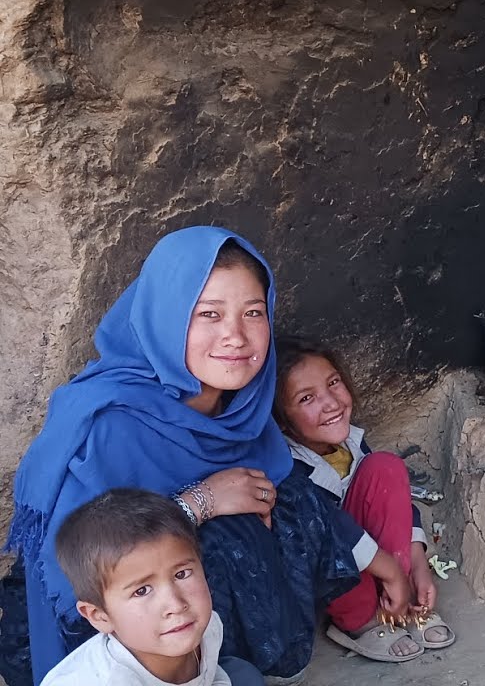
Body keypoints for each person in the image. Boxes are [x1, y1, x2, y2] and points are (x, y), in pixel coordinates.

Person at [4, 227, 418, 685]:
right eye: (209, 315)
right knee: (228, 531)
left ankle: (238, 662)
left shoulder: (242, 407)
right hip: (105, 630)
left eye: (253, 313)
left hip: (189, 617)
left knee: (282, 497)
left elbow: (302, 499)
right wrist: (201, 502)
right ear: (167, 317)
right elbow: (85, 568)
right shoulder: (110, 425)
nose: (236, 336)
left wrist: (390, 567)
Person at [274, 336, 455, 662]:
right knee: (332, 534)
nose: (330, 402)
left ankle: (400, 599)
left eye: (333, 383)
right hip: (330, 580)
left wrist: (416, 566)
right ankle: (359, 620)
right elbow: (333, 530)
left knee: (386, 467)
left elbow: (395, 506)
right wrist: (391, 573)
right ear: (282, 421)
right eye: (306, 398)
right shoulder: (287, 469)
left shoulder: (351, 443)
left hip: (376, 565)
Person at [42, 489, 262, 686]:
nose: (176, 605)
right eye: (142, 591)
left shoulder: (206, 628)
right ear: (99, 616)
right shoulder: (104, 680)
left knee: (245, 675)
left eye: (181, 574)